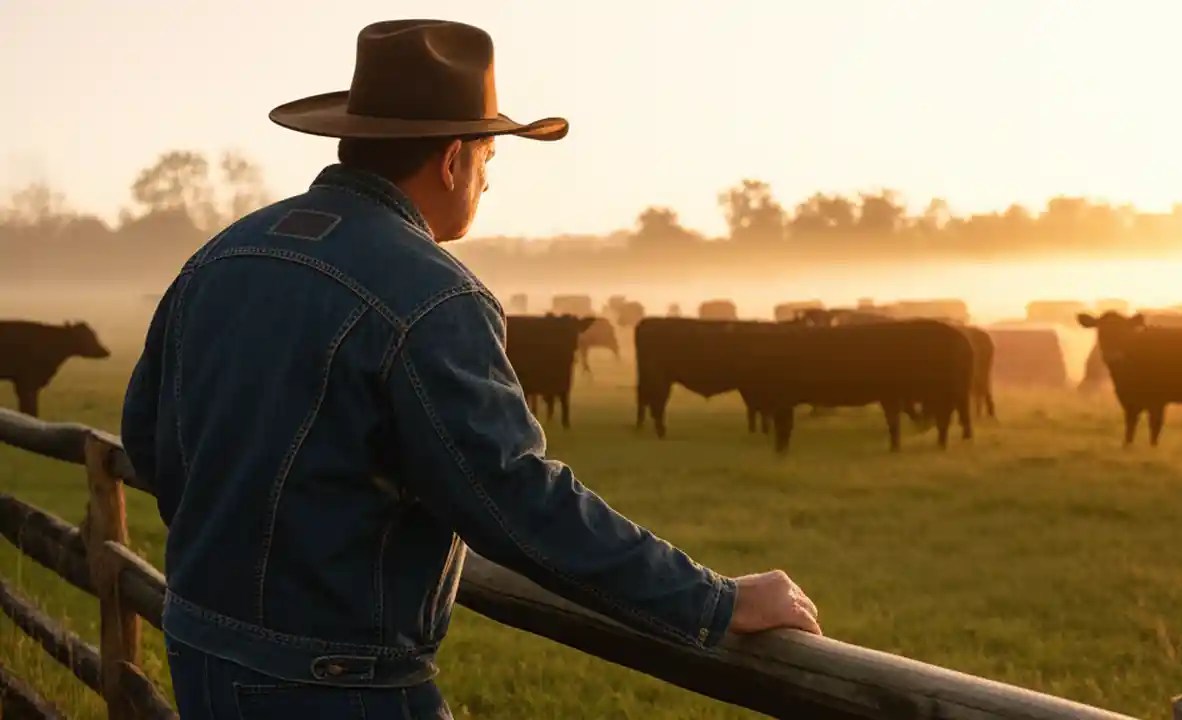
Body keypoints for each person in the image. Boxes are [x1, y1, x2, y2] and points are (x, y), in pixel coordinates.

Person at [121, 19, 820, 719]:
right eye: (490, 159)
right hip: (337, 685)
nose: (487, 184)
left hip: (200, 651)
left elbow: (149, 444)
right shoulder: (431, 294)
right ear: (454, 160)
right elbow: (518, 501)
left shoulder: (221, 256)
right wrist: (716, 601)